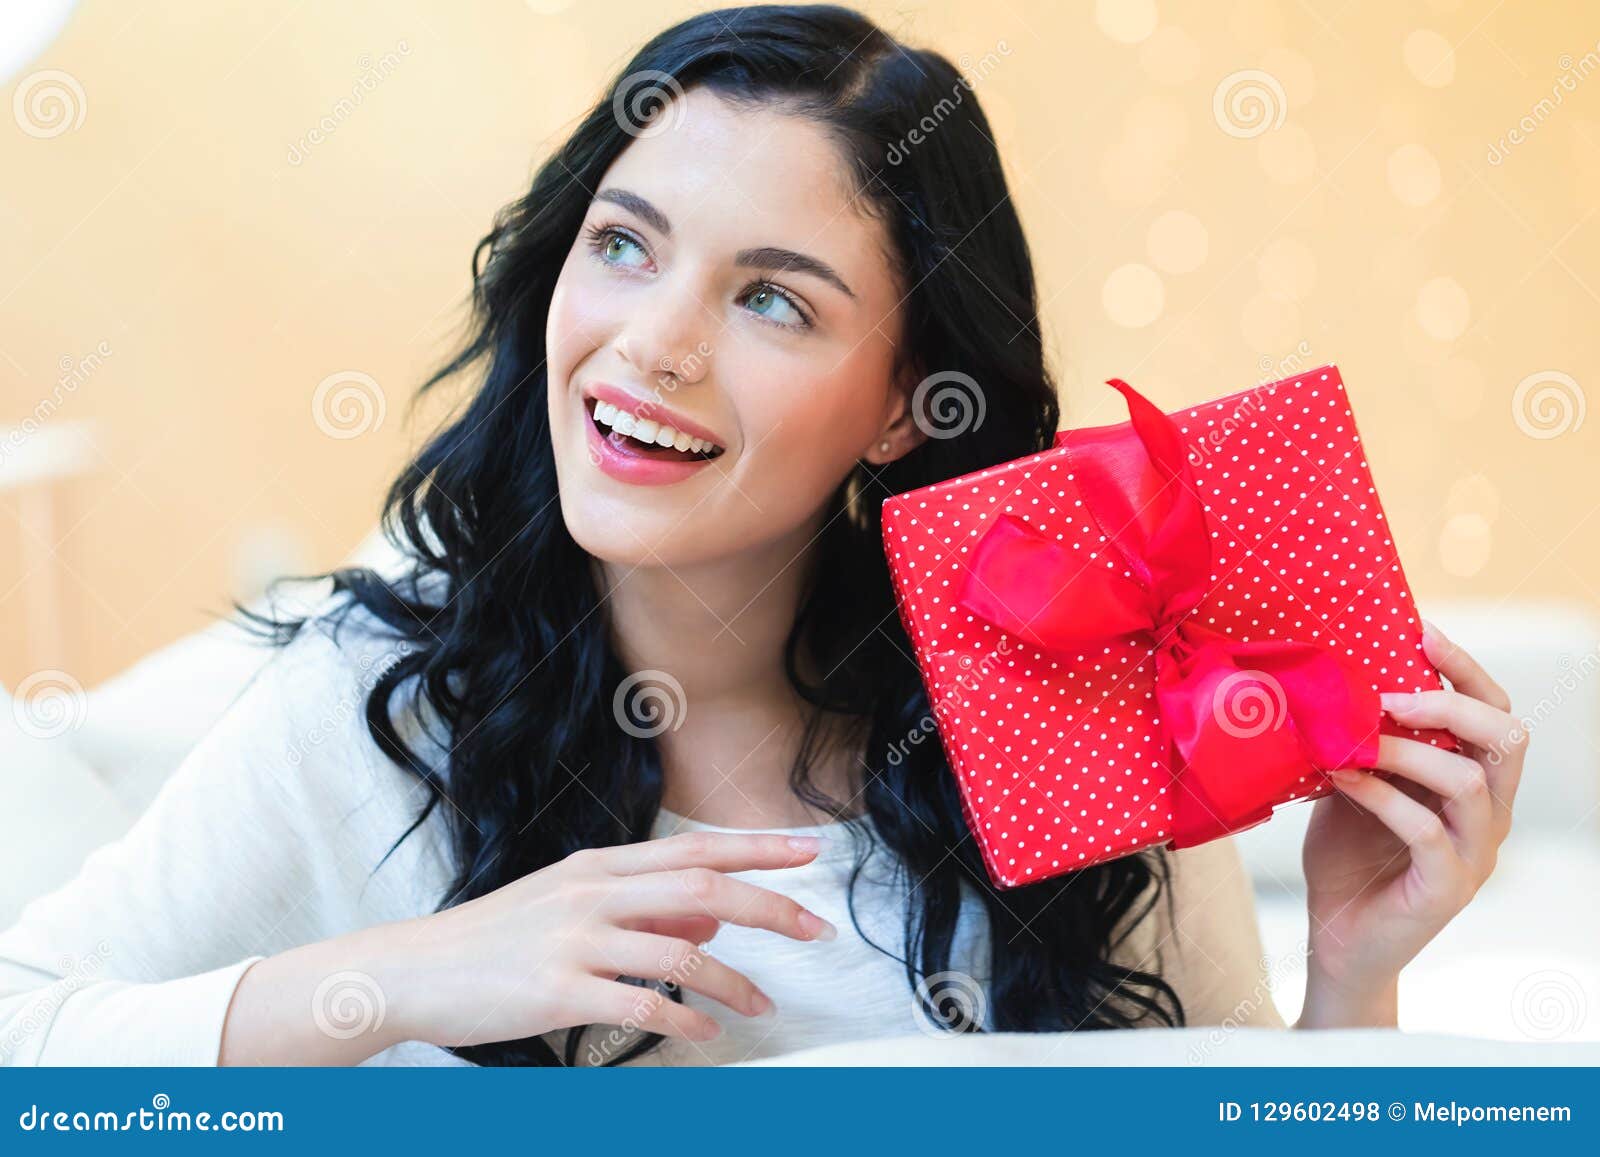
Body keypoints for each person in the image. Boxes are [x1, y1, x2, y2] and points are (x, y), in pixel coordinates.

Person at [0, 4, 1526, 1067]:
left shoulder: (1073, 701)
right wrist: (393, 980)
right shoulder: (380, 706)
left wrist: (1356, 972)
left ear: (900, 404)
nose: (650, 344)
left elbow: (1226, 1122)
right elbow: (25, 1037)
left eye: (774, 298)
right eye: (623, 246)